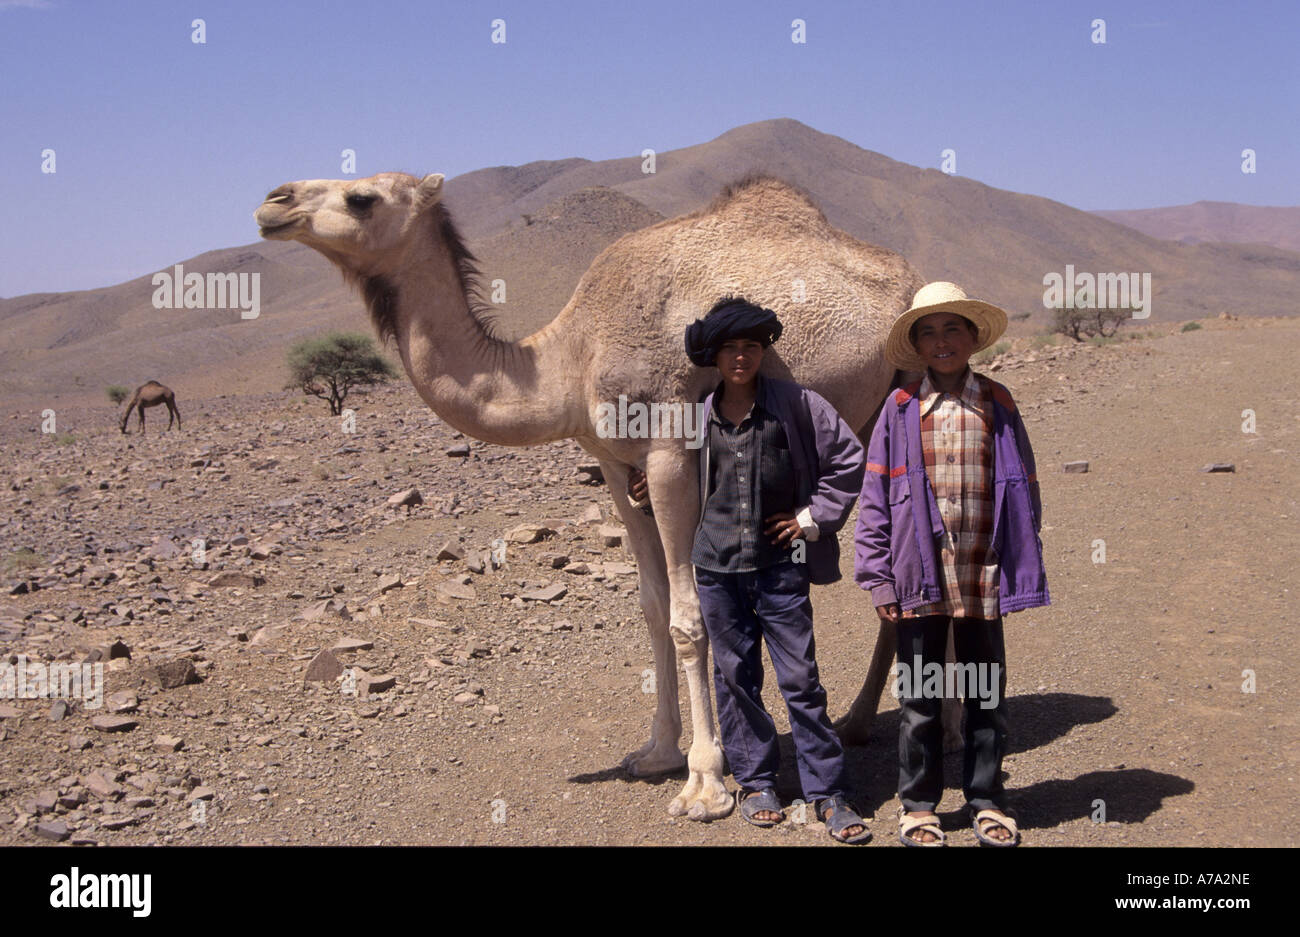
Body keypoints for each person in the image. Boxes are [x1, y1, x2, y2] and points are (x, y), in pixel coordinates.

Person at [644, 295, 872, 843]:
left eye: (750, 346)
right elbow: (675, 473)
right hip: (716, 569)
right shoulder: (697, 416)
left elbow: (848, 458)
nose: (740, 357)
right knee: (736, 678)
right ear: (714, 358)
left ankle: (827, 792)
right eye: (729, 348)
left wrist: (811, 518)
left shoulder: (798, 404)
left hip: (780, 567)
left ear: (764, 350)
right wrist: (645, 486)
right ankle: (757, 782)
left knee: (800, 679)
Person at [854, 281, 1050, 847]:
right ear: (917, 346)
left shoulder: (998, 401)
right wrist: (877, 574)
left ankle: (987, 800)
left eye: (952, 330)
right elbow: (875, 497)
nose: (942, 342)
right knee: (919, 698)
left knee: (985, 691)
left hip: (982, 574)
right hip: (919, 577)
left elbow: (1024, 486)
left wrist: (1019, 554)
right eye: (929, 333)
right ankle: (918, 806)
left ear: (972, 338)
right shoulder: (898, 409)